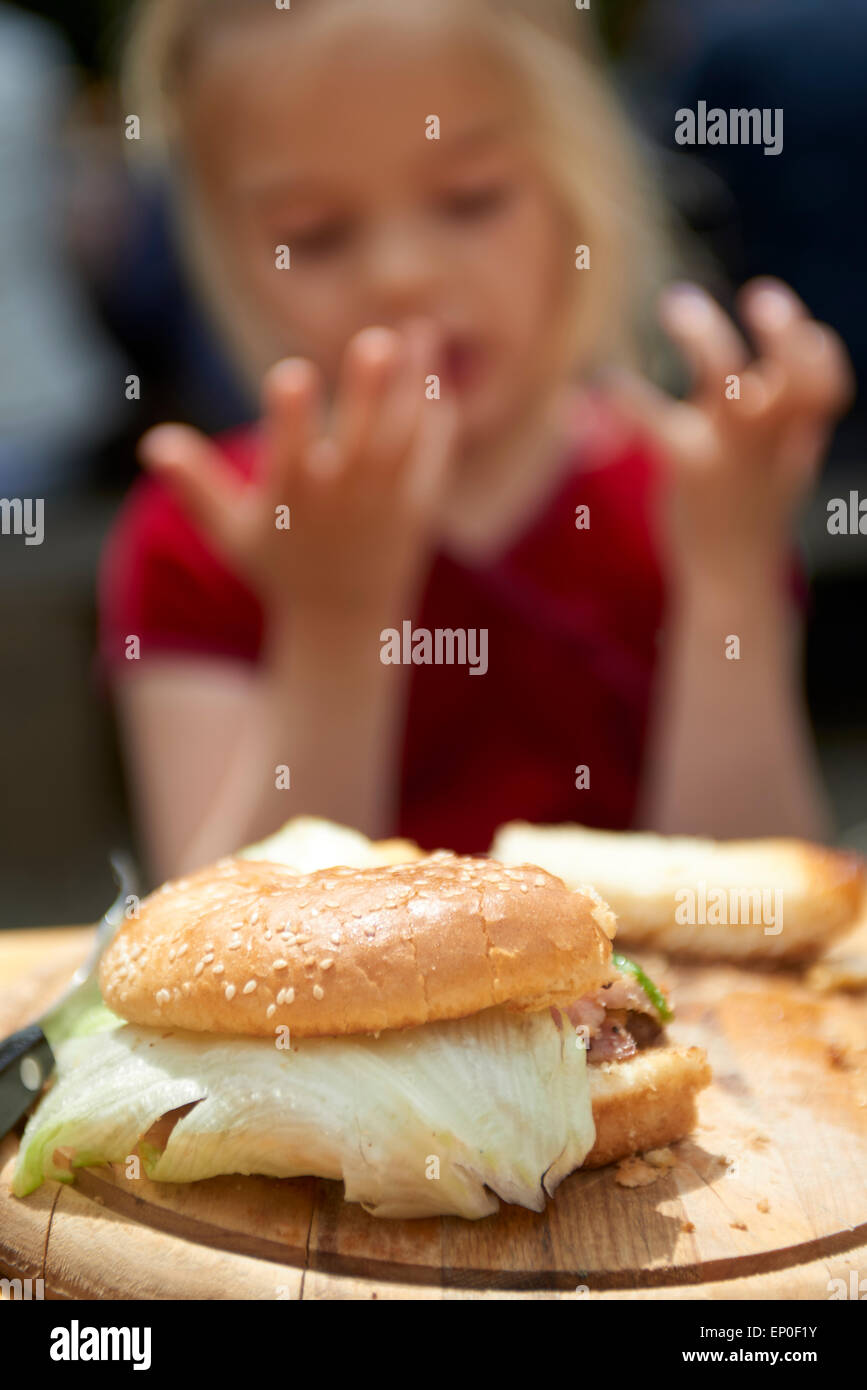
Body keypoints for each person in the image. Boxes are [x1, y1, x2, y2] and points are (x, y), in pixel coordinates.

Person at [99, 0, 852, 883]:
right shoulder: (207, 533)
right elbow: (227, 961)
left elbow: (750, 914)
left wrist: (730, 576)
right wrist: (334, 624)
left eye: (470, 200)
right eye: (315, 234)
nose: (402, 274)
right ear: (224, 255)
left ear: (577, 185)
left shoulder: (688, 496)